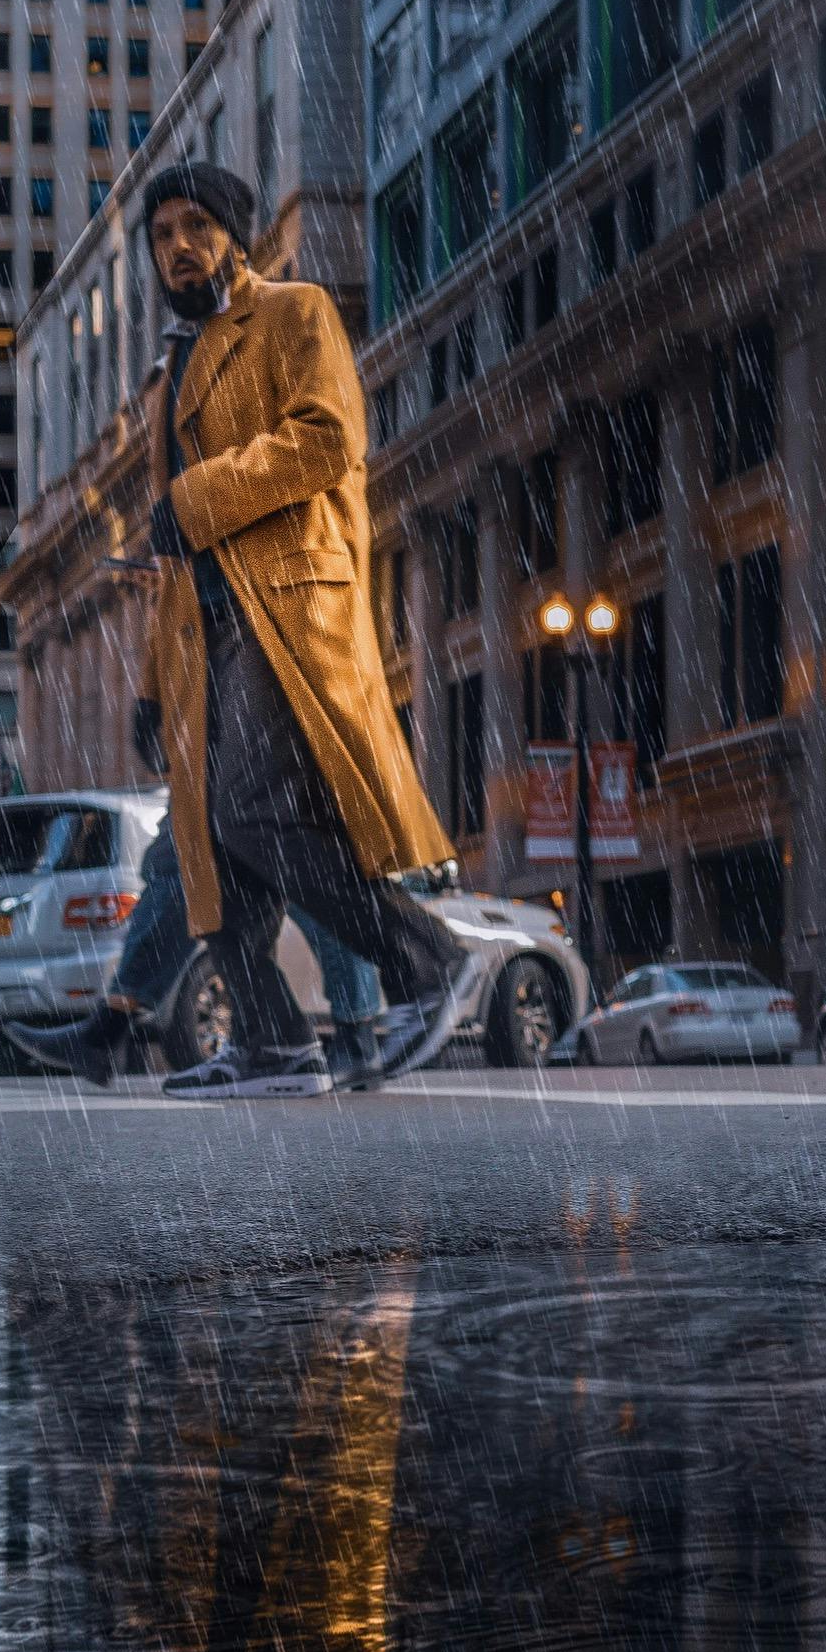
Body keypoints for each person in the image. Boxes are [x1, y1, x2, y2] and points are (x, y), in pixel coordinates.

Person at [119, 161, 485, 1097]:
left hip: (286, 606)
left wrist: (199, 494)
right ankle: (274, 1040)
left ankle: (427, 959)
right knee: (208, 840)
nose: (179, 246)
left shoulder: (295, 313)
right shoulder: (175, 370)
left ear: (235, 233)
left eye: (197, 225)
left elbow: (329, 438)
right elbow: (171, 550)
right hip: (204, 632)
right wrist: (153, 689)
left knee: (249, 811)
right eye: (162, 235)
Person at [13, 809, 384, 1082]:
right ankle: (316, 1039)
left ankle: (303, 1040)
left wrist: (156, 710)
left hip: (243, 728)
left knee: (192, 855)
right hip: (236, 729)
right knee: (291, 866)